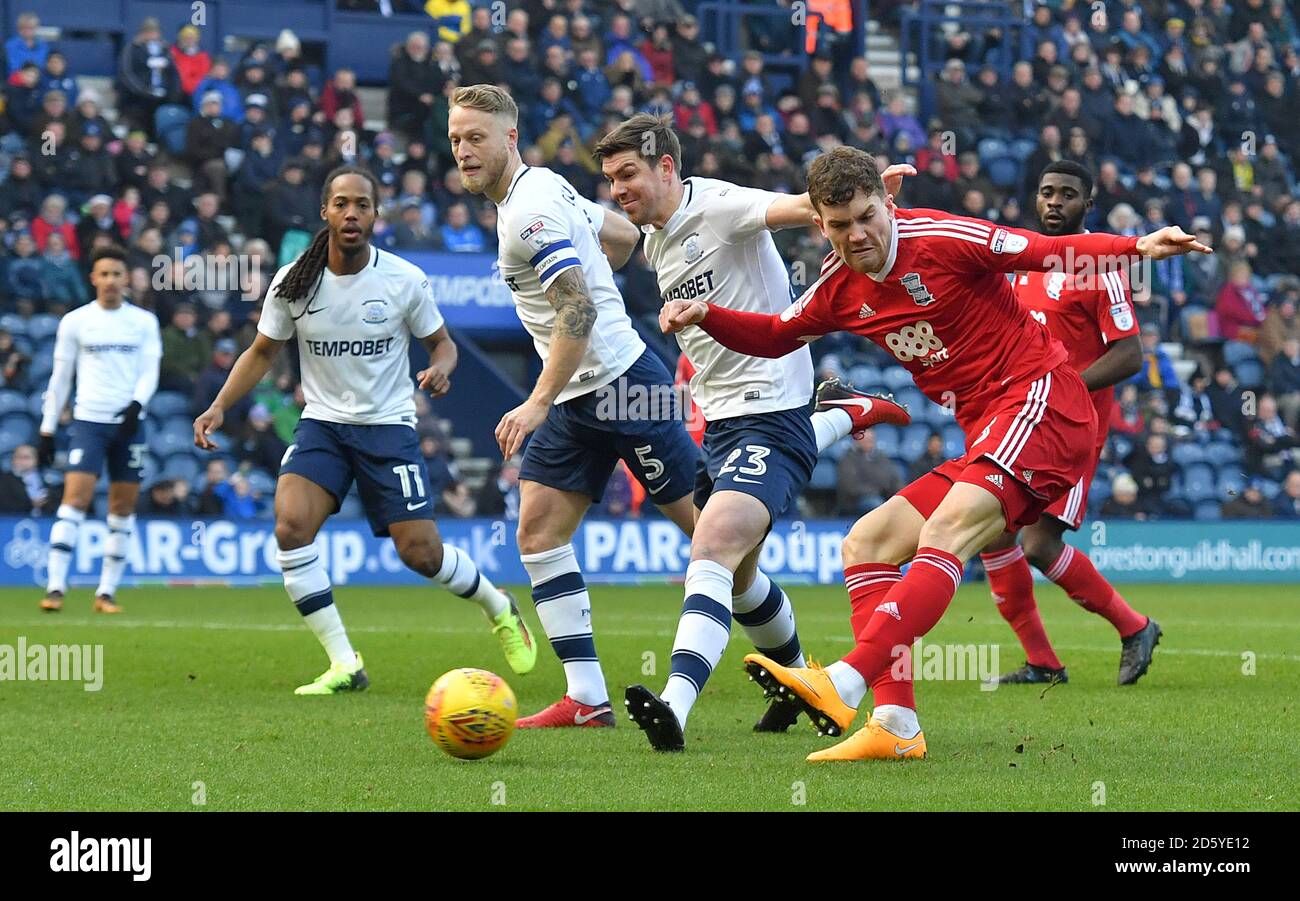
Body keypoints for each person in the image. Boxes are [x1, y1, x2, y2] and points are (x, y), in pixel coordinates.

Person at [660, 146, 1208, 761]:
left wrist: (1137, 248)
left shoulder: (943, 238)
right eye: (839, 225)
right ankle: (895, 722)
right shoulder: (838, 289)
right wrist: (705, 313)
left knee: (945, 532)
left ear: (886, 203)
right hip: (990, 428)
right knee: (867, 543)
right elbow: (772, 336)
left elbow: (1042, 249)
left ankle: (842, 681)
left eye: (867, 216)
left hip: (1042, 399)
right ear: (820, 224)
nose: (857, 234)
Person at [594, 113, 910, 748]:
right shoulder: (657, 242)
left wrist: (869, 186)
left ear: (666, 168)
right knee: (739, 579)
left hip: (770, 415)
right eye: (609, 178)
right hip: (722, 428)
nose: (618, 189)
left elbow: (799, 208)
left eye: (629, 174)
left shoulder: (718, 205)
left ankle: (674, 708)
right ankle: (796, 680)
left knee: (710, 546)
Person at [193, 165, 536, 696]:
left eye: (362, 205)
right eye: (341, 204)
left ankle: (498, 606)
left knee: (421, 554)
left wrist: (442, 367)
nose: (351, 214)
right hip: (324, 427)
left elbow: (441, 344)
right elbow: (262, 352)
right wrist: (219, 406)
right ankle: (344, 663)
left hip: (388, 429)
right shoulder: (294, 282)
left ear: (376, 215)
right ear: (325, 212)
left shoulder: (402, 279)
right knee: (289, 528)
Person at [449, 85, 705, 730]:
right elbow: (618, 233)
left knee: (712, 537)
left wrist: (535, 401)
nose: (463, 151)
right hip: (577, 394)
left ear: (510, 138)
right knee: (537, 532)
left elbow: (579, 310)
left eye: (476, 137)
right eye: (455, 139)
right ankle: (587, 699)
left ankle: (796, 663)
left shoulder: (527, 212)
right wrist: (598, 267)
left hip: (622, 385)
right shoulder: (549, 187)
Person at [970, 161, 1155, 687]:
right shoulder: (1020, 263)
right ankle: (1043, 662)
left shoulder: (1099, 267)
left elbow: (1129, 355)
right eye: (1047, 192)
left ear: (1086, 206)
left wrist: (1065, 387)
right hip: (1021, 421)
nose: (1054, 202)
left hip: (1074, 428)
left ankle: (1133, 626)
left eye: (1068, 195)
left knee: (1038, 544)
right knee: (992, 532)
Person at [38, 245, 162, 613]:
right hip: (89, 422)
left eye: (116, 274)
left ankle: (105, 593)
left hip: (128, 424)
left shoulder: (143, 322)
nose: (110, 281)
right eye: (103, 274)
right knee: (74, 500)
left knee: (121, 509)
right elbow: (61, 379)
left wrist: (137, 403)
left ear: (126, 279)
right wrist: (46, 429)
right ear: (93, 279)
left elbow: (149, 371)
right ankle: (56, 587)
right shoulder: (76, 322)